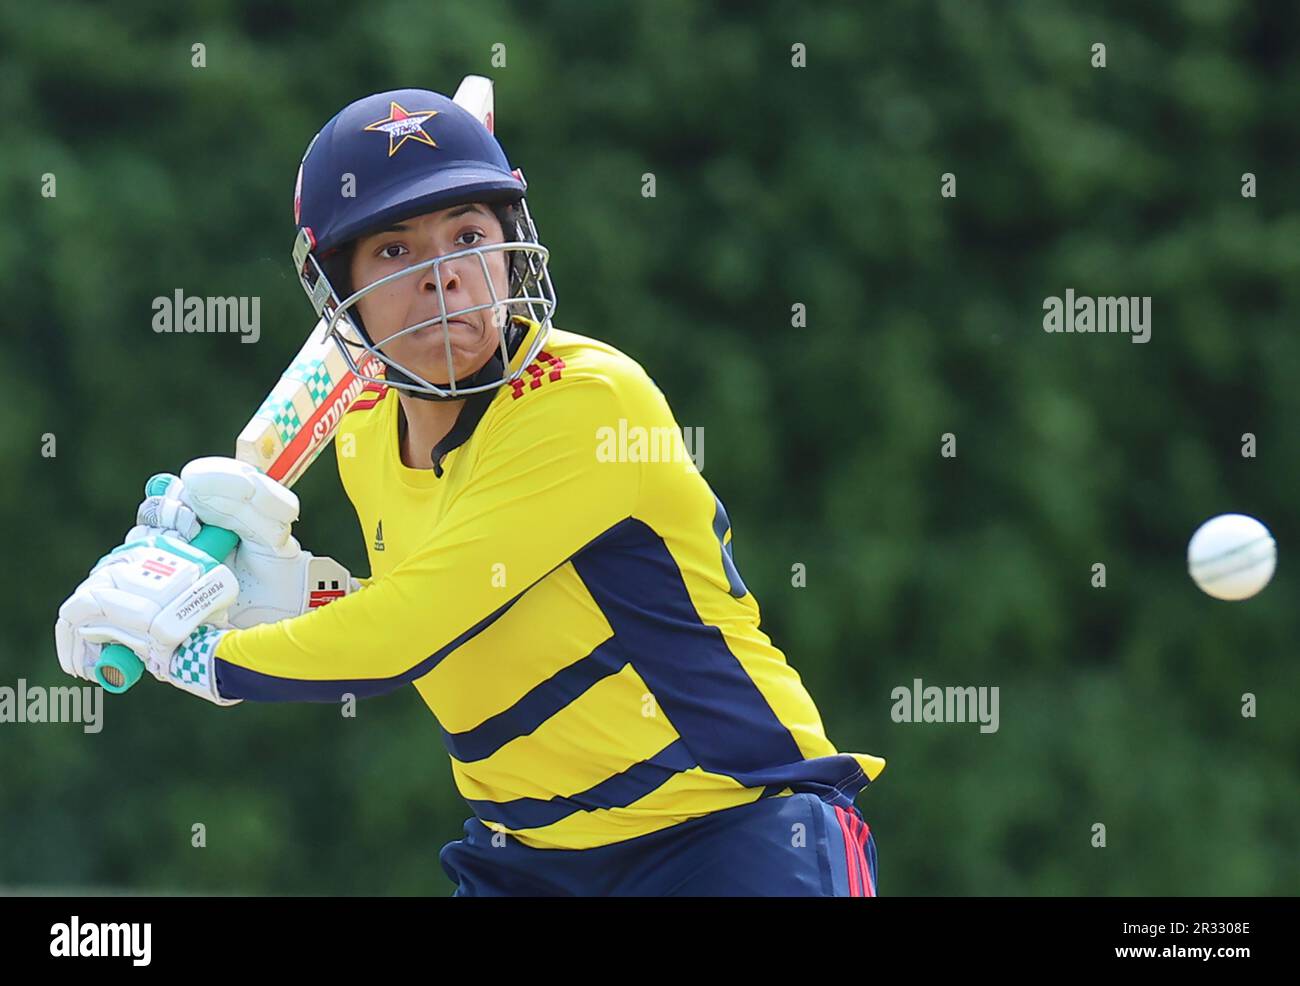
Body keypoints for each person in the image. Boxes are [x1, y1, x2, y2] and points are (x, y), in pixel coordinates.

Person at [55, 87, 883, 896]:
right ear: (338, 293)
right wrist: (291, 599)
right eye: (395, 251)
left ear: (512, 252)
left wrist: (198, 656)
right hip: (527, 857)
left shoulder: (589, 402)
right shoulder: (365, 430)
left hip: (729, 835)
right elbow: (454, 611)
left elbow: (407, 635)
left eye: (467, 236)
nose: (444, 275)